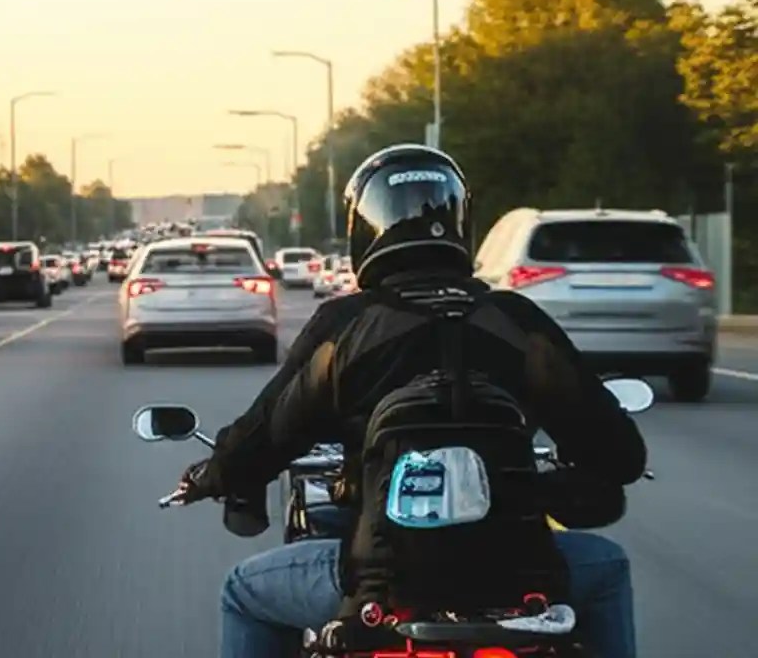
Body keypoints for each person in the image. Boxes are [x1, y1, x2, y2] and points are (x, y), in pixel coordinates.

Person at [176, 144, 647, 658]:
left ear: (366, 226)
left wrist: (214, 474)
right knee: (607, 569)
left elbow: (264, 435)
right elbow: (621, 456)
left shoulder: (345, 328)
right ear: (460, 219)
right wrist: (558, 484)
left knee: (243, 594)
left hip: (379, 591)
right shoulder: (517, 322)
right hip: (517, 579)